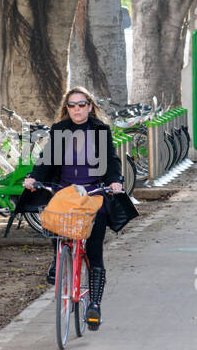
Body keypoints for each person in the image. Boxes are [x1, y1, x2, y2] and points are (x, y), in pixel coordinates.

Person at [23, 86, 123, 329]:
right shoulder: (59, 130)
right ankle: (58, 260)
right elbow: (45, 160)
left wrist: (115, 181)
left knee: (95, 251)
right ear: (66, 109)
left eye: (82, 104)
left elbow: (111, 159)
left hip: (92, 192)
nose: (77, 109)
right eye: (72, 105)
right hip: (65, 191)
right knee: (56, 219)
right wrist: (34, 178)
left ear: (90, 106)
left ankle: (94, 306)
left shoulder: (100, 130)